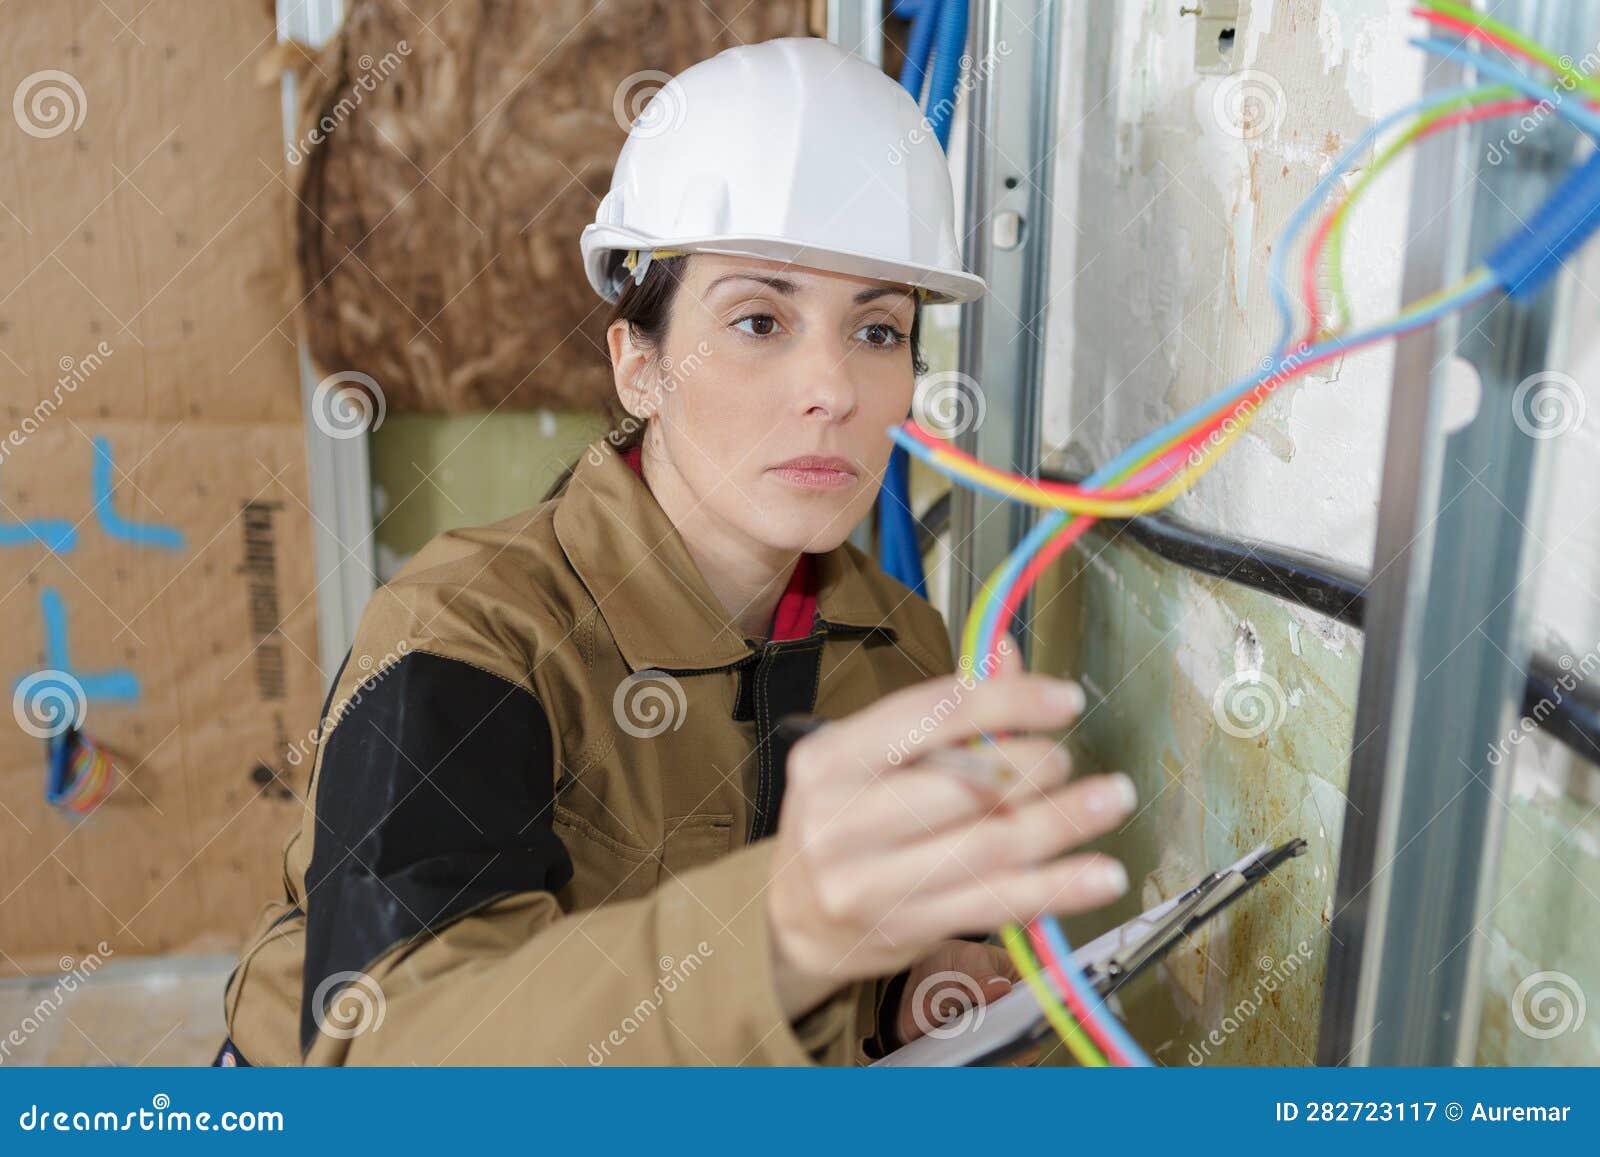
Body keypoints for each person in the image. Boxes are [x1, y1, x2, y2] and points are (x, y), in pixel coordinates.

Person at [217, 35, 1135, 1067]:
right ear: (640, 364)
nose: (831, 386)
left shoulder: (897, 649)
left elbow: (825, 980)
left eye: (878, 330)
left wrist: (902, 991)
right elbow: (393, 1053)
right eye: (758, 319)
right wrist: (779, 928)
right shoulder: (466, 635)